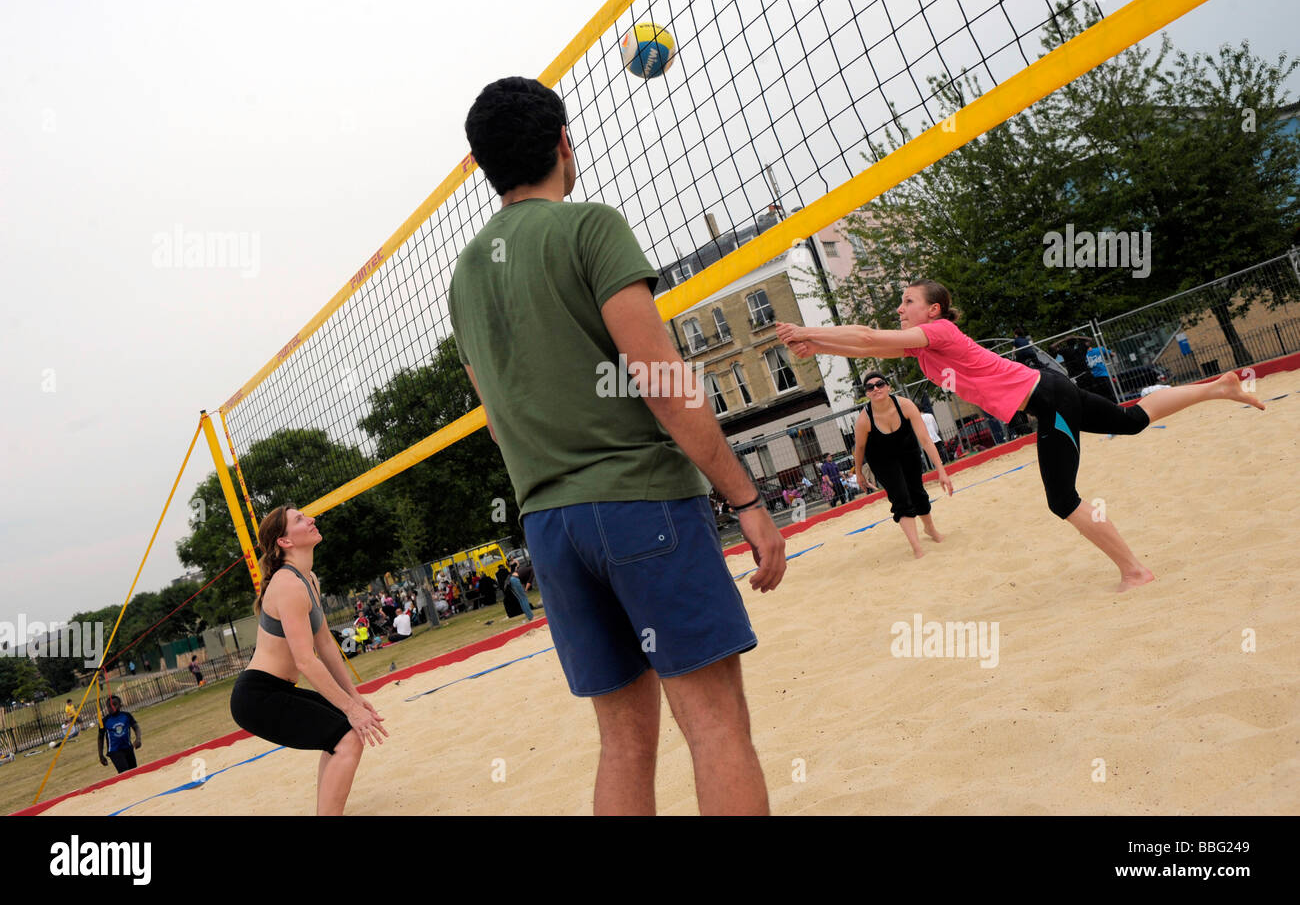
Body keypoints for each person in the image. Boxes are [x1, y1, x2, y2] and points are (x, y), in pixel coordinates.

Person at [450, 76, 785, 815]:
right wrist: (748, 498)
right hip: (641, 504)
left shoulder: (466, 274)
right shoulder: (589, 226)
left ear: (483, 167)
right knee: (716, 726)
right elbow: (664, 383)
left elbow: (499, 421)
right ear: (564, 143)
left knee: (625, 744)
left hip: (551, 527)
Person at [777, 279, 1264, 591]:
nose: (899, 308)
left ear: (935, 311)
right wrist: (812, 341)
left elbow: (865, 339)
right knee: (1132, 420)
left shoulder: (940, 334)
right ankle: (1217, 387)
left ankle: (1134, 570)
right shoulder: (925, 349)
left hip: (1048, 403)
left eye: (908, 301)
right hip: (1051, 393)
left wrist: (806, 329)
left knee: (1062, 499)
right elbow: (865, 340)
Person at [229, 505, 388, 815]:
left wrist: (354, 697)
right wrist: (350, 709)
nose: (312, 519)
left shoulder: (309, 579)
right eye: (300, 519)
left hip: (277, 690)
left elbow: (325, 644)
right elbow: (306, 661)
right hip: (257, 697)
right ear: (285, 542)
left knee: (345, 734)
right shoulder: (287, 585)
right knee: (347, 737)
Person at [852, 371, 953, 558]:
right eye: (870, 387)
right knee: (901, 497)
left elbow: (926, 440)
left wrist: (941, 471)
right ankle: (917, 547)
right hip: (881, 458)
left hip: (907, 450)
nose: (875, 388)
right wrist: (859, 473)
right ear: (866, 393)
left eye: (880, 384)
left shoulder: (905, 405)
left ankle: (930, 530)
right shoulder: (864, 419)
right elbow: (859, 448)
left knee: (917, 492)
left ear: (888, 387)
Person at [97, 695, 141, 774]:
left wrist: (138, 739)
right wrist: (101, 755)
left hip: (128, 748)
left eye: (115, 704)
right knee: (125, 773)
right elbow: (100, 738)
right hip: (114, 751)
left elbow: (136, 727)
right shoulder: (105, 721)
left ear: (120, 705)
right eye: (109, 706)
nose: (112, 707)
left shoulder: (126, 716)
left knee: (134, 771)